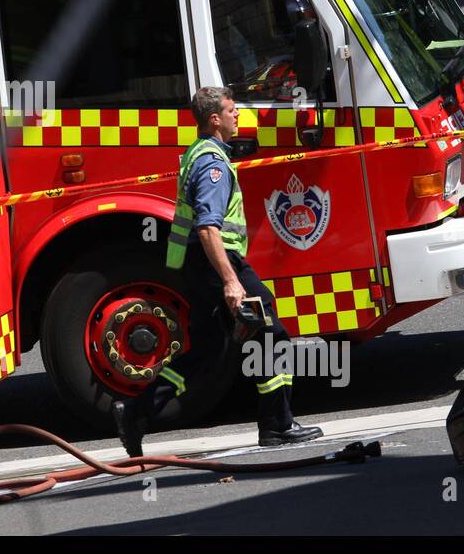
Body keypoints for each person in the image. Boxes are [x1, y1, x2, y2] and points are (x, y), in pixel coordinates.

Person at [111, 86, 323, 457]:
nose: (238, 115)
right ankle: (278, 425)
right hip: (221, 263)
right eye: (231, 110)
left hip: (199, 266)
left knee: (207, 351)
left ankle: (135, 413)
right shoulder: (212, 163)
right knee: (273, 332)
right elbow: (209, 228)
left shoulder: (197, 153)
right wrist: (230, 281)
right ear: (215, 119)